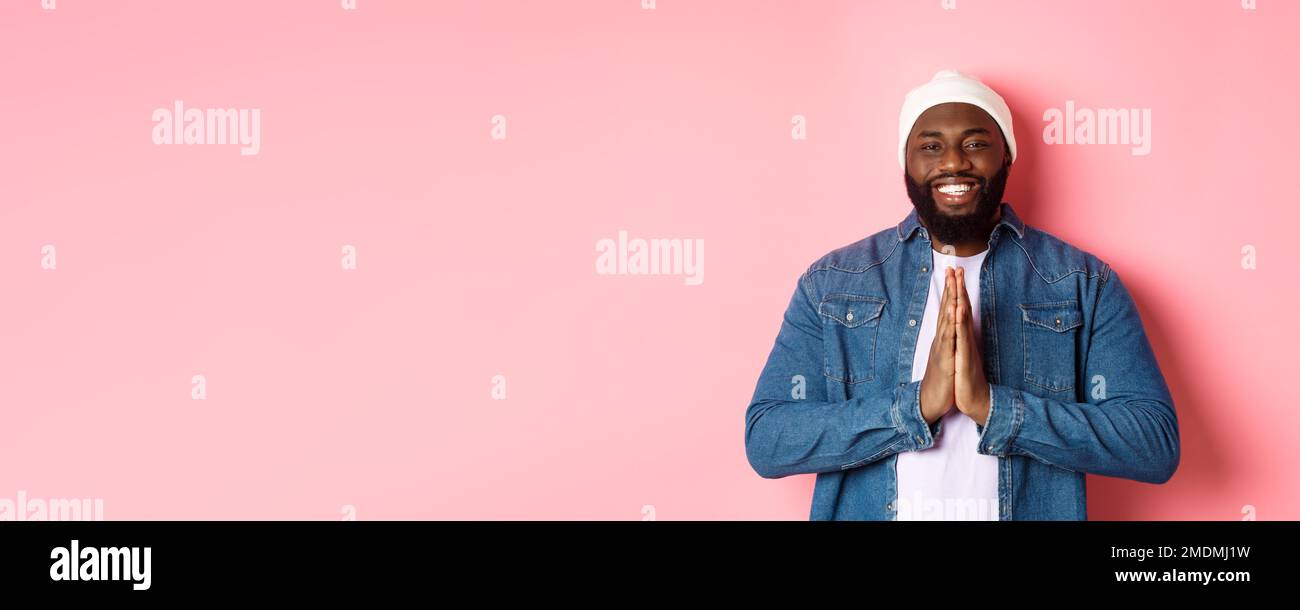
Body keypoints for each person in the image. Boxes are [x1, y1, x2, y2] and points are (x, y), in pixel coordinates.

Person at [743, 69, 1179, 520]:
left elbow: (1153, 442)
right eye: (931, 146)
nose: (953, 162)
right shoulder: (834, 282)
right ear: (906, 162)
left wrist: (993, 407)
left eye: (975, 144)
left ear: (1006, 156)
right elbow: (769, 438)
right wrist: (913, 407)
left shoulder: (1083, 282)